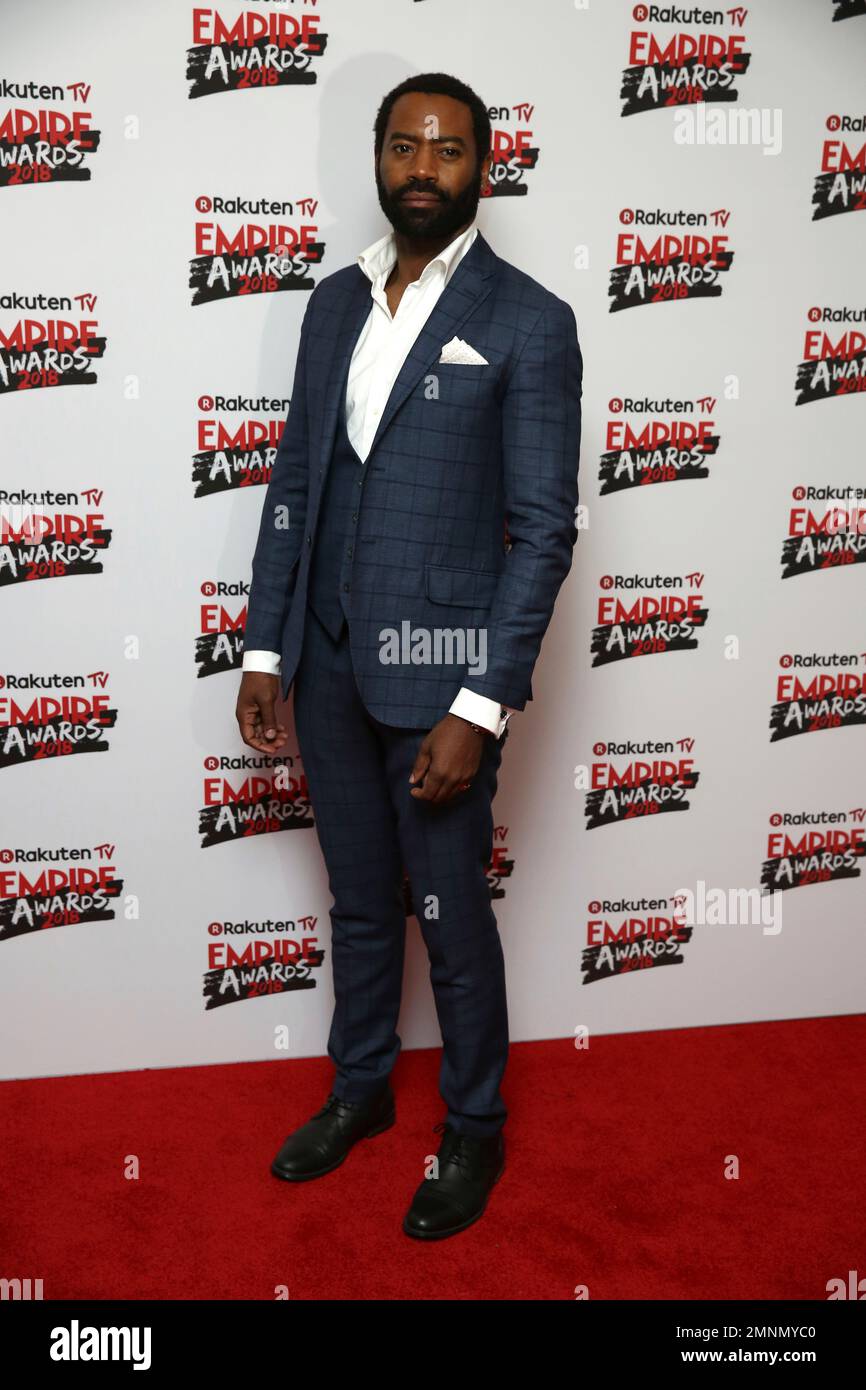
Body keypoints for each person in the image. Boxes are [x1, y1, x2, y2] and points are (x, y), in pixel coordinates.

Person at [236, 71, 582, 1240]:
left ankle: (473, 1125)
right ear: (377, 159)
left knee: (448, 910)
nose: (420, 166)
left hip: (439, 677)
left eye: (444, 147)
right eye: (401, 145)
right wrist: (262, 644)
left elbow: (540, 531)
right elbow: (295, 484)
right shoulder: (334, 303)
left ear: (484, 162)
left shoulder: (528, 320)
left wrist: (479, 704)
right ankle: (361, 1090)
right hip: (325, 664)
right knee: (358, 906)